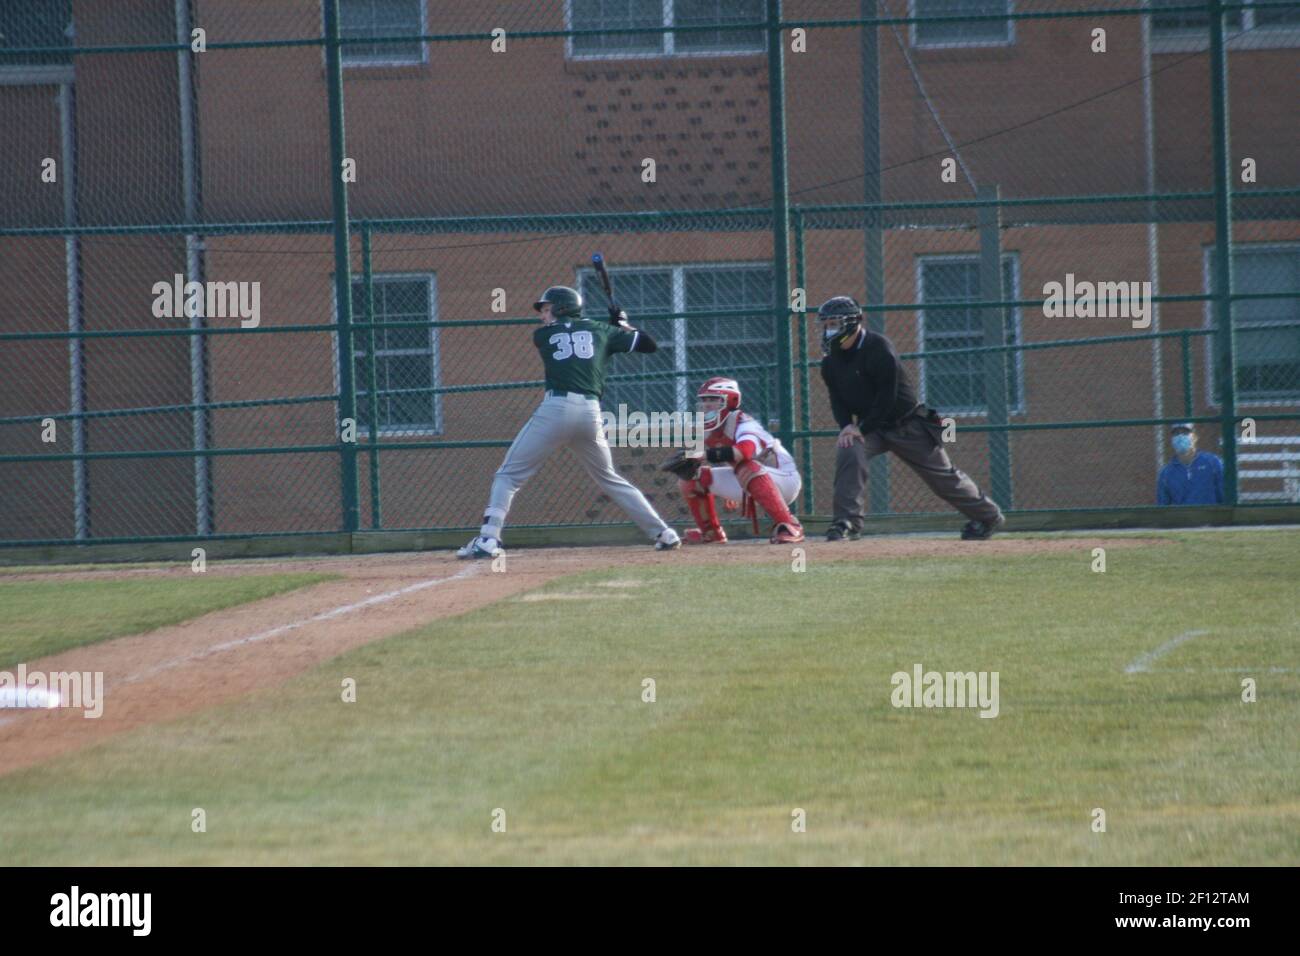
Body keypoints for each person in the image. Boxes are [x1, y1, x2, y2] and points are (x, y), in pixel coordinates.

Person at [456, 286, 681, 559]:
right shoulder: (601, 330)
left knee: (508, 476)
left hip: (556, 409)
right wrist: (622, 325)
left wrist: (612, 328)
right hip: (590, 413)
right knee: (609, 477)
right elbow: (649, 345)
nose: (543, 316)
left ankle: (488, 539)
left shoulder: (543, 336)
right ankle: (664, 533)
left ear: (561, 308)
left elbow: (573, 336)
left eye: (547, 309)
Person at [816, 296, 1005, 541]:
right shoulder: (831, 360)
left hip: (907, 424)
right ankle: (846, 523)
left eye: (835, 323)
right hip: (869, 428)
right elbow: (837, 399)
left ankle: (988, 516)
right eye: (826, 324)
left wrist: (861, 427)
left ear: (853, 323)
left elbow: (887, 397)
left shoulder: (879, 348)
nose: (829, 329)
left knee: (943, 478)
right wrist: (847, 427)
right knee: (848, 449)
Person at [663, 377, 804, 544]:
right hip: (753, 477)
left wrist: (704, 455)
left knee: (747, 467)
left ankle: (789, 524)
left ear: (732, 400)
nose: (707, 404)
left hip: (785, 480)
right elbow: (730, 456)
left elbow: (744, 452)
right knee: (692, 479)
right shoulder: (710, 427)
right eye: (704, 399)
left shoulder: (745, 422)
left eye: (714, 399)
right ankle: (711, 533)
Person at [1157, 422, 1224, 505]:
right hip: (1182, 517)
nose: (1180, 437)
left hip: (1211, 516)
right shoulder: (1166, 473)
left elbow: (1224, 495)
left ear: (1195, 437)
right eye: (1176, 434)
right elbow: (1163, 506)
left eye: (1185, 433)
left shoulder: (1213, 463)